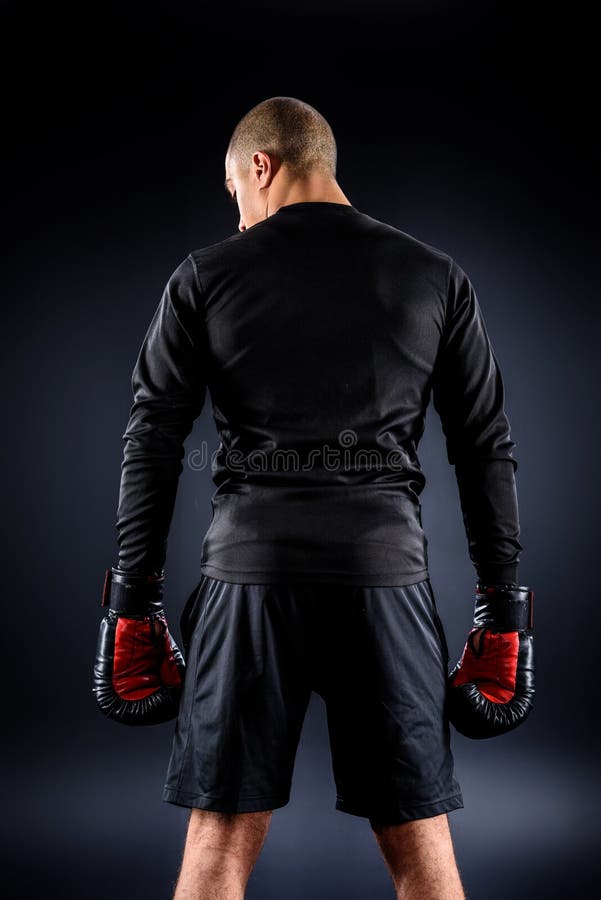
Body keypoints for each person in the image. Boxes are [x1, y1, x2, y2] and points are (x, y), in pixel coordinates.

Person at [107, 96, 528, 899]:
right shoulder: (432, 273)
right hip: (383, 577)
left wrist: (133, 600)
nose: (236, 215)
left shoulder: (206, 275)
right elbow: (483, 447)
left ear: (260, 166)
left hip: (250, 575)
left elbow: (153, 441)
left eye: (234, 189)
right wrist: (501, 610)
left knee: (218, 839)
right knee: (421, 844)